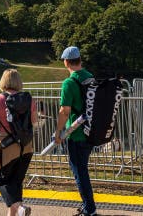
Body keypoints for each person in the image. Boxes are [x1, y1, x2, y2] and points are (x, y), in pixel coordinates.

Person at [0, 69, 37, 216]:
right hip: (26, 147)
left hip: (6, 148)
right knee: (16, 182)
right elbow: (34, 121)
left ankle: (20, 208)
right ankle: (16, 211)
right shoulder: (29, 100)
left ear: (3, 81)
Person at [54, 46, 97, 216]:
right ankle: (87, 204)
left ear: (66, 62)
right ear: (80, 60)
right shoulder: (91, 78)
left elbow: (65, 111)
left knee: (79, 171)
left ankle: (89, 208)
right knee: (82, 169)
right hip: (90, 132)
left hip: (76, 134)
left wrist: (58, 132)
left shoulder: (69, 83)